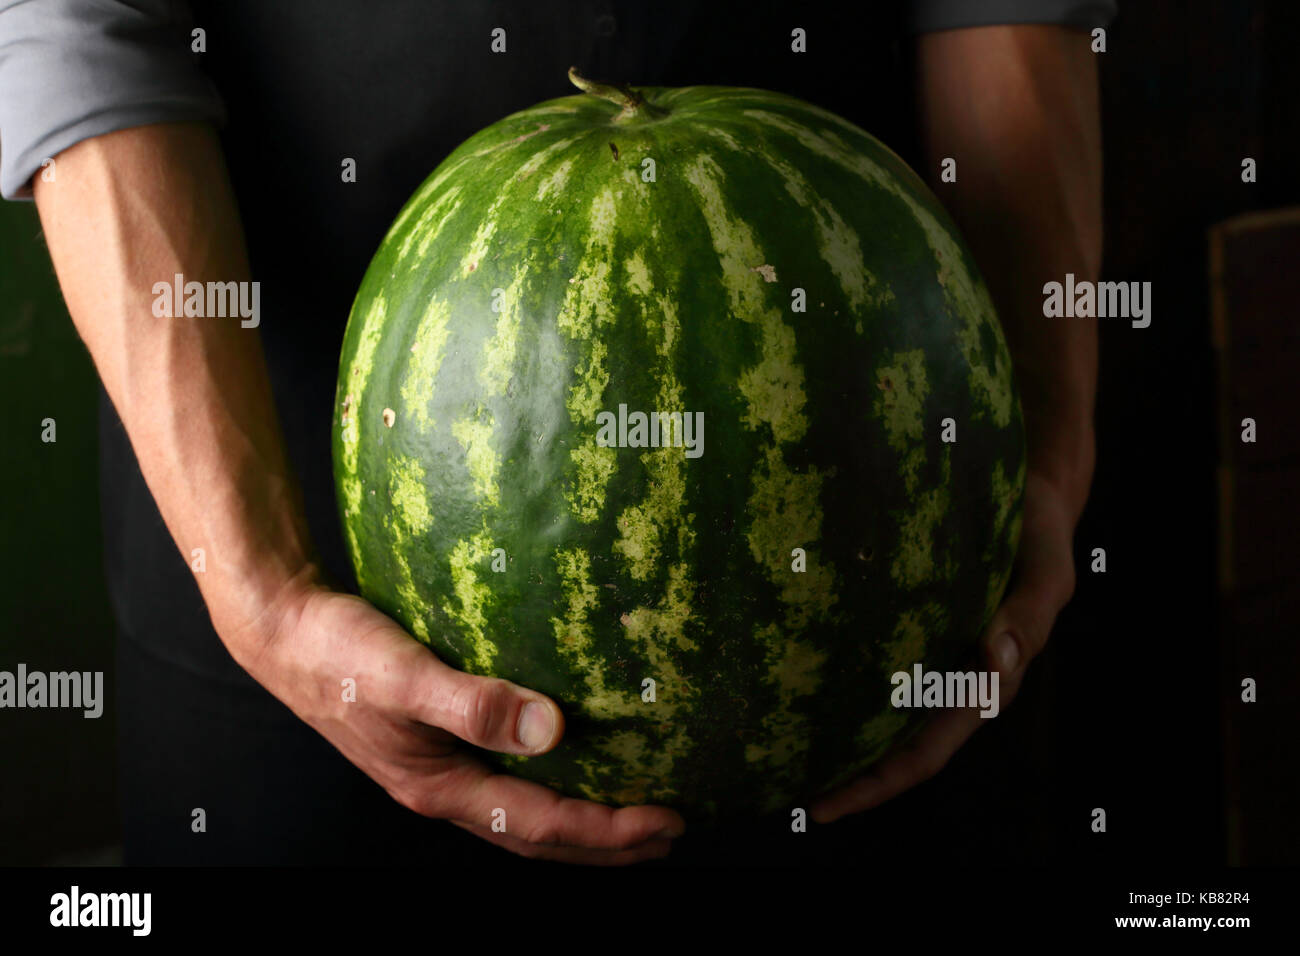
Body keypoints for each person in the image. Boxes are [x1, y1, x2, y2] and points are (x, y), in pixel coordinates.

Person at [0, 0, 1108, 865]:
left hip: (879, 545)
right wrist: (261, 586)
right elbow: (72, 20)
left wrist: (1050, 459)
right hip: (279, 544)